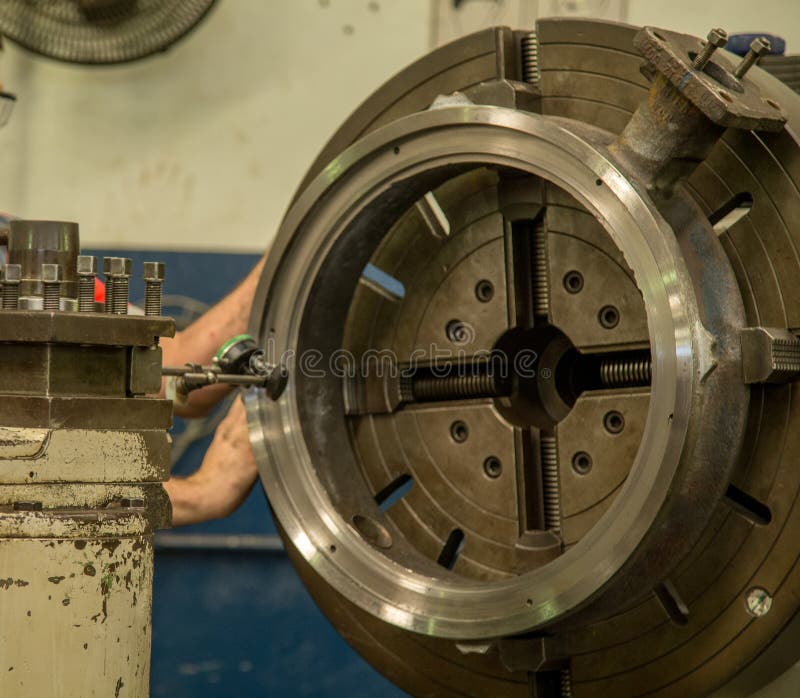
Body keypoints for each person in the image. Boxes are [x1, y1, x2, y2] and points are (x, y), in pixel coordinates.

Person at [161, 256, 267, 526]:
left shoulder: (79, 293)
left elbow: (168, 379)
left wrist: (276, 272)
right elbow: (48, 495)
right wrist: (202, 494)